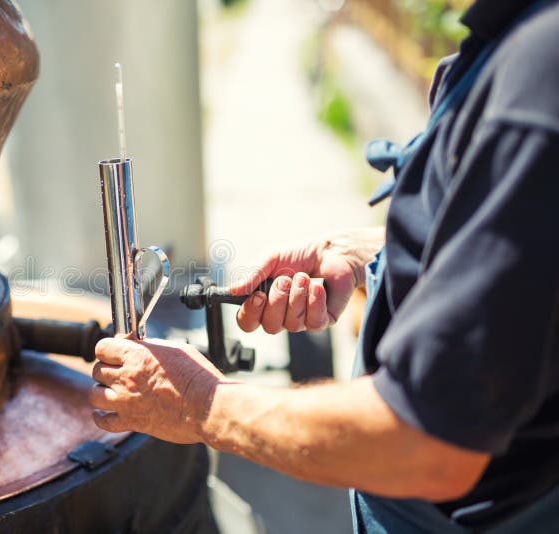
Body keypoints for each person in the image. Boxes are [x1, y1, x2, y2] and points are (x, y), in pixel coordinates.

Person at [90, 1, 559, 531]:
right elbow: (524, 257)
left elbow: (426, 444)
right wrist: (370, 254)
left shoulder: (537, 79)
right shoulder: (511, 39)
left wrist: (199, 404)